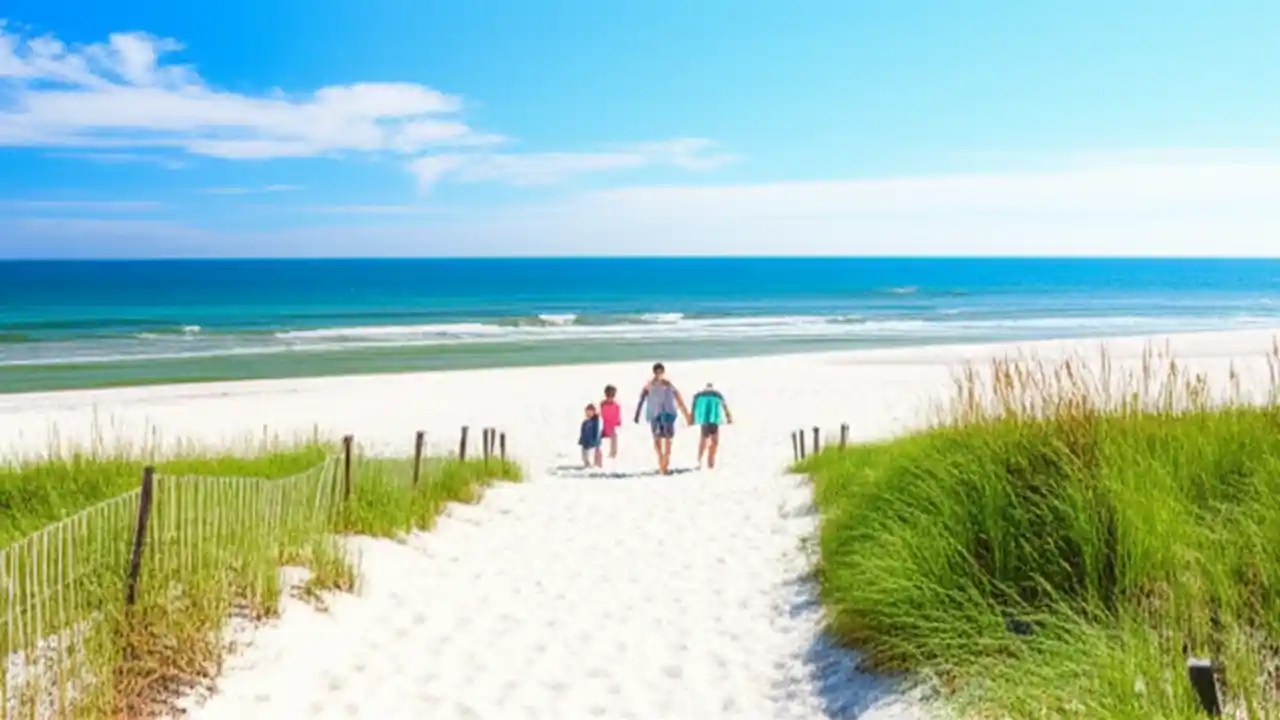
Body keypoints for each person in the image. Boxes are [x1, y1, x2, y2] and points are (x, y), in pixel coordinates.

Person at [633, 362, 692, 474]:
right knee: (657, 438)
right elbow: (641, 398)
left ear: (663, 372)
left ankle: (665, 460)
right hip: (655, 414)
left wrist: (686, 414)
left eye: (660, 372)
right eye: (657, 372)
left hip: (668, 413)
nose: (659, 374)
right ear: (654, 372)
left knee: (668, 439)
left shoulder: (668, 384)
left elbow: (678, 397)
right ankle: (661, 459)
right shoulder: (649, 385)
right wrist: (637, 414)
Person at [691, 382, 734, 469]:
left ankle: (702, 459)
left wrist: (692, 418)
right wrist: (728, 416)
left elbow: (694, 406)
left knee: (705, 440)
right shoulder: (717, 394)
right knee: (713, 441)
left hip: (705, 419)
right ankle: (709, 462)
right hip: (713, 419)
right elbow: (724, 406)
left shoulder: (699, 395)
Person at [599, 385, 622, 459]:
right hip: (604, 425)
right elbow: (600, 414)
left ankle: (613, 453)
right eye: (608, 395)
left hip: (611, 426)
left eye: (612, 395)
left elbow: (617, 415)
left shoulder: (616, 405)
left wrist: (618, 422)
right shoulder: (602, 404)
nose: (610, 397)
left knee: (614, 437)